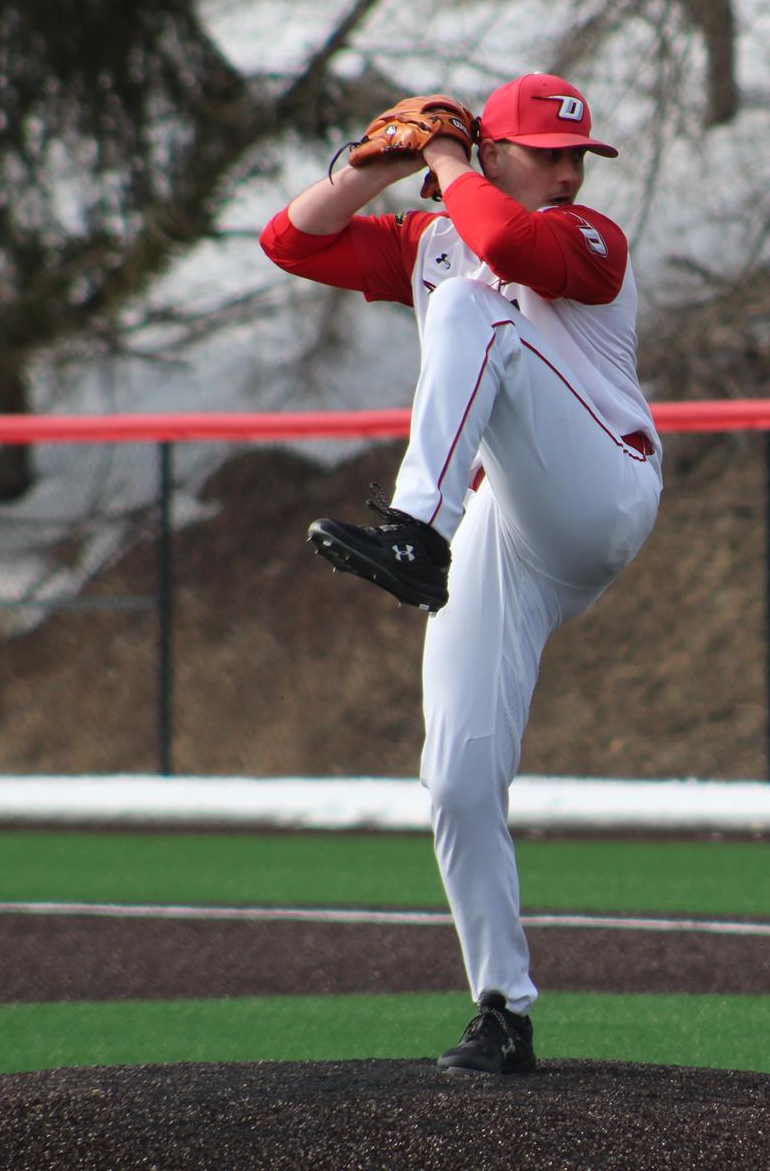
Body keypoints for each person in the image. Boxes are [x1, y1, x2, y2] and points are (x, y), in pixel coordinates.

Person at [258, 73, 662, 1076]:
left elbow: (511, 248)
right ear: (498, 149)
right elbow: (291, 242)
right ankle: (501, 1007)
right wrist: (373, 163)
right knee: (456, 774)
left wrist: (445, 164)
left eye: (577, 154)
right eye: (545, 151)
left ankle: (412, 529)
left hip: (597, 489)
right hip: (502, 522)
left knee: (478, 308)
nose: (567, 169)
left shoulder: (589, 237)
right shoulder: (432, 238)